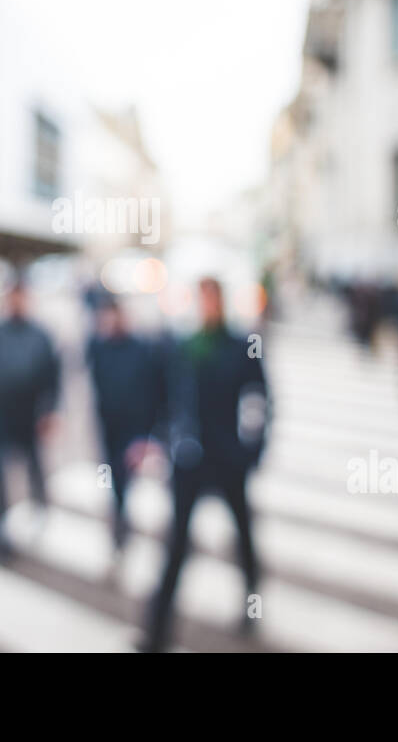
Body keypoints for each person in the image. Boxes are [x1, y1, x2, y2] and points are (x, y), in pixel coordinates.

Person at [141, 277, 270, 652]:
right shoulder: (183, 345)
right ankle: (157, 633)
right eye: (202, 299)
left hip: (228, 460)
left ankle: (251, 599)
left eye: (213, 299)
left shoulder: (241, 344)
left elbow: (260, 398)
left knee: (243, 534)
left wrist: (252, 451)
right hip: (189, 460)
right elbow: (163, 397)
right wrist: (161, 438)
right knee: (176, 545)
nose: (207, 306)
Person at [0, 279, 61, 560]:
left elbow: (53, 376)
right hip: (2, 416)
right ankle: (0, 536)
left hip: (31, 416)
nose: (16, 302)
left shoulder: (41, 335)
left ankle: (40, 510)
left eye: (21, 297)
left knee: (35, 468)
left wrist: (50, 411)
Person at [84, 296, 163, 552]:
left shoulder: (141, 348)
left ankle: (125, 515)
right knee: (115, 475)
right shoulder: (98, 346)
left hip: (134, 426)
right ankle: (120, 518)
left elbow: (153, 390)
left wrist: (148, 432)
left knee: (128, 473)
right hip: (109, 424)